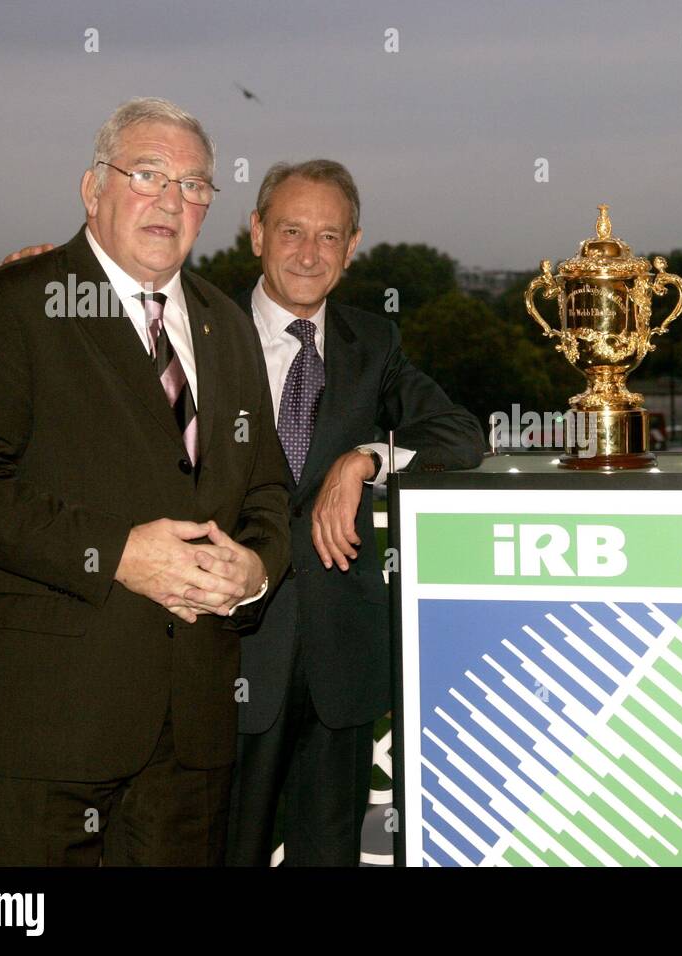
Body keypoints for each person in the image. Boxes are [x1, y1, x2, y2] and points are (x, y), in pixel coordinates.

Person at [0, 97, 291, 866]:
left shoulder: (229, 330)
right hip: (47, 726)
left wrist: (254, 570)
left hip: (193, 732)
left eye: (193, 185)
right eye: (147, 174)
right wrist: (116, 552)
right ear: (93, 190)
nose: (170, 200)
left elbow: (266, 494)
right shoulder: (9, 306)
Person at [226, 160, 484, 865]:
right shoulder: (201, 329)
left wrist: (366, 458)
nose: (309, 253)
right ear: (256, 234)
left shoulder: (374, 343)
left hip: (340, 660)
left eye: (329, 236)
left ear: (352, 246)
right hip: (225, 656)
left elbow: (462, 436)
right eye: (291, 231)